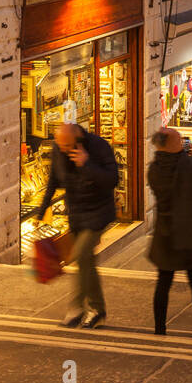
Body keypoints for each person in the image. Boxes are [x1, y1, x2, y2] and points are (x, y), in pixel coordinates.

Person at [35, 121, 118, 329]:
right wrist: (42, 208)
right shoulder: (60, 148)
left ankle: (77, 308)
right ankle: (97, 309)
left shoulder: (98, 147)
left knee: (81, 255)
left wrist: (86, 164)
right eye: (60, 146)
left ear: (77, 138)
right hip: (77, 214)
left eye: (66, 146)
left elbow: (112, 180)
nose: (62, 150)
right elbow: (54, 180)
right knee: (86, 261)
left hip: (99, 213)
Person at [148, 128, 192, 338]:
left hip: (165, 234)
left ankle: (160, 328)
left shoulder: (154, 169)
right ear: (173, 145)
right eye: (179, 140)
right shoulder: (186, 165)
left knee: (163, 282)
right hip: (188, 233)